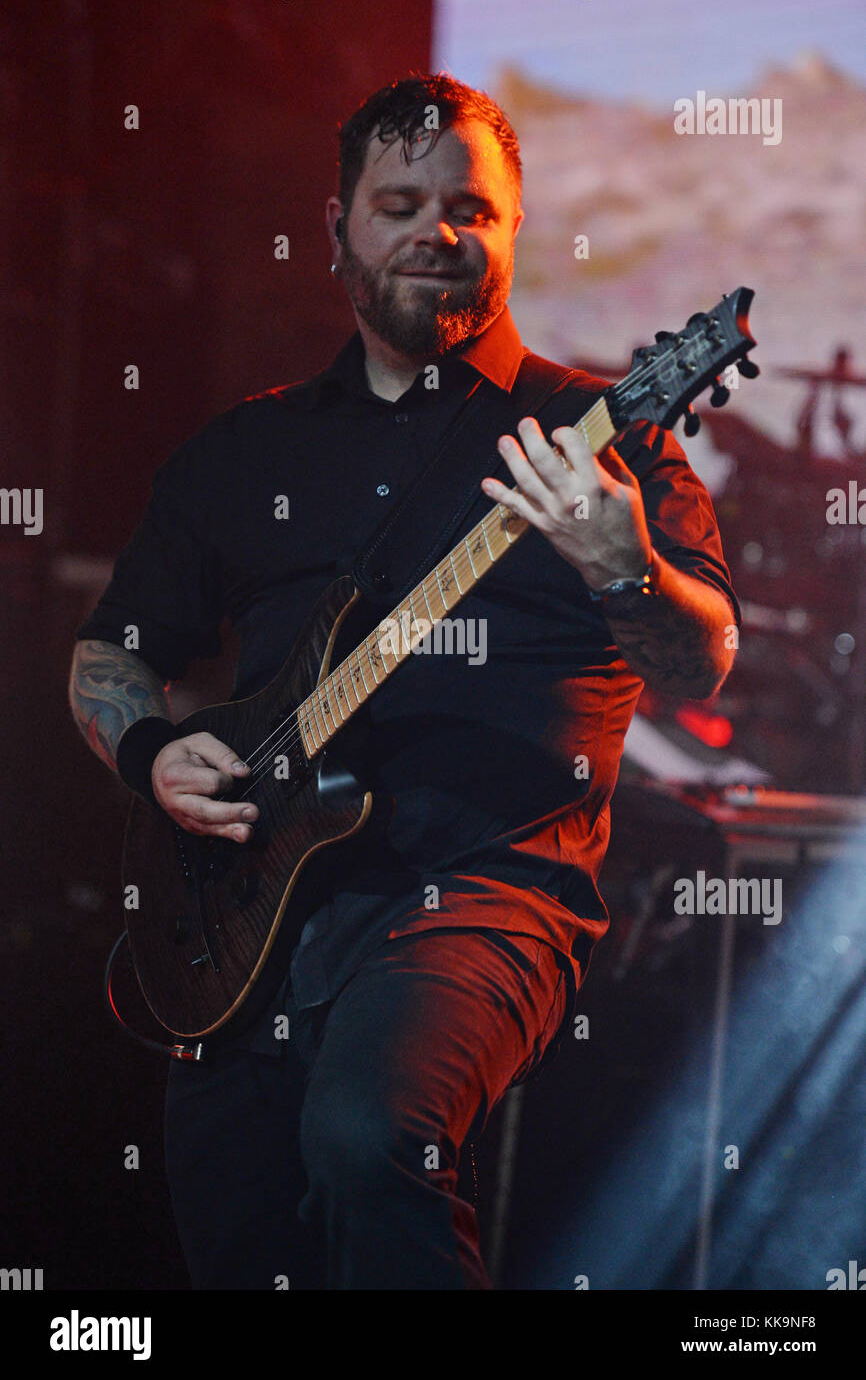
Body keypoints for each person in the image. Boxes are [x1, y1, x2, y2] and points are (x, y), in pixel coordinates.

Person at [68, 72, 740, 1290]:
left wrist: (624, 568)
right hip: (246, 903)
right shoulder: (244, 450)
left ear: (512, 231)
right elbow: (114, 653)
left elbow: (705, 659)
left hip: (488, 890)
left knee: (367, 1132)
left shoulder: (600, 432)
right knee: (235, 1229)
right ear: (337, 231)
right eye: (399, 202)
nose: (436, 232)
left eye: (469, 211)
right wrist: (146, 752)